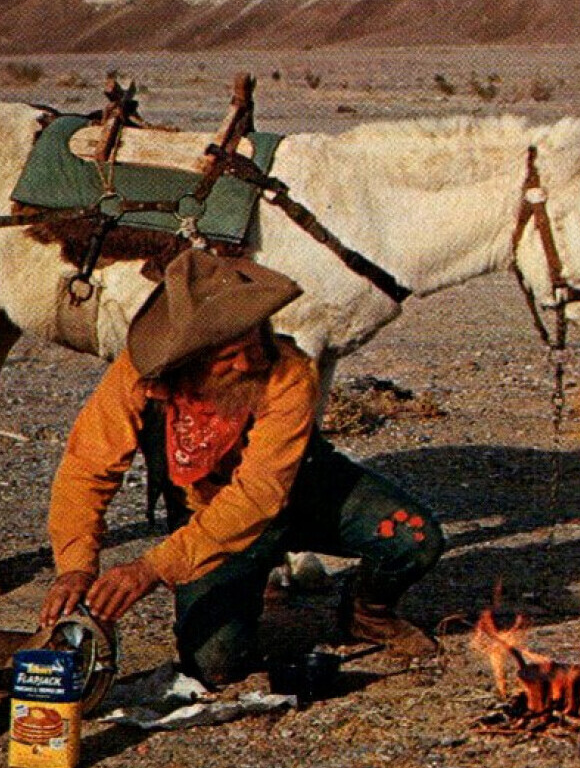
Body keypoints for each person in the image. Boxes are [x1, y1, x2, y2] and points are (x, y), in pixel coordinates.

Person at [38, 248, 445, 689]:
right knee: (214, 665)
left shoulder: (290, 373)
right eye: (229, 356)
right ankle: (250, 586)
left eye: (254, 345)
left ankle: (368, 613)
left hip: (301, 492)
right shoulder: (140, 377)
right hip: (210, 517)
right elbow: (87, 468)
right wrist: (76, 567)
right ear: (188, 358)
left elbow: (258, 495)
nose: (248, 363)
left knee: (414, 538)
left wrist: (153, 568)